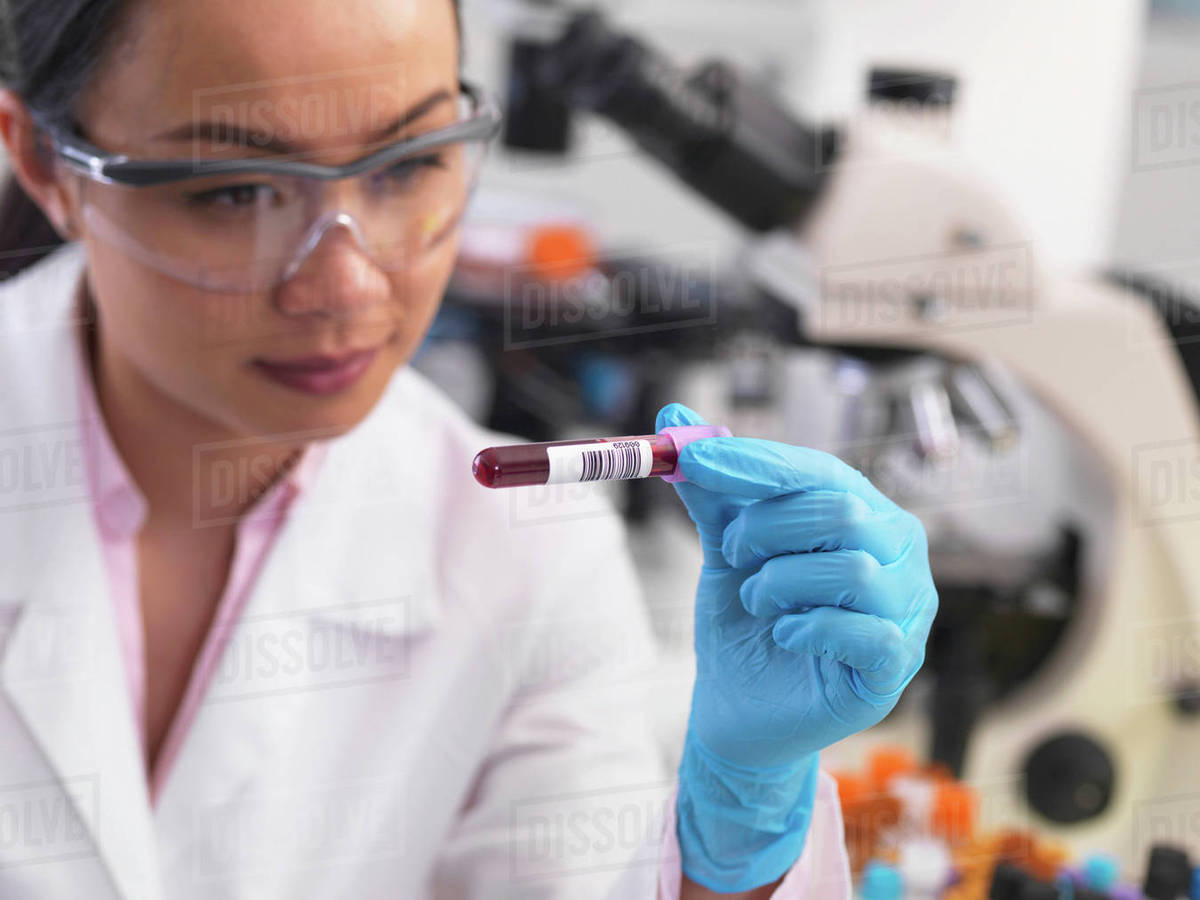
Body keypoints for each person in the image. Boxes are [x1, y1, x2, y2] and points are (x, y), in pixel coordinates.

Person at [0, 0, 938, 897]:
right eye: (236, 191)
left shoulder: (530, 550)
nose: (347, 287)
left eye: (407, 166)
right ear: (43, 160)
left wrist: (732, 842)